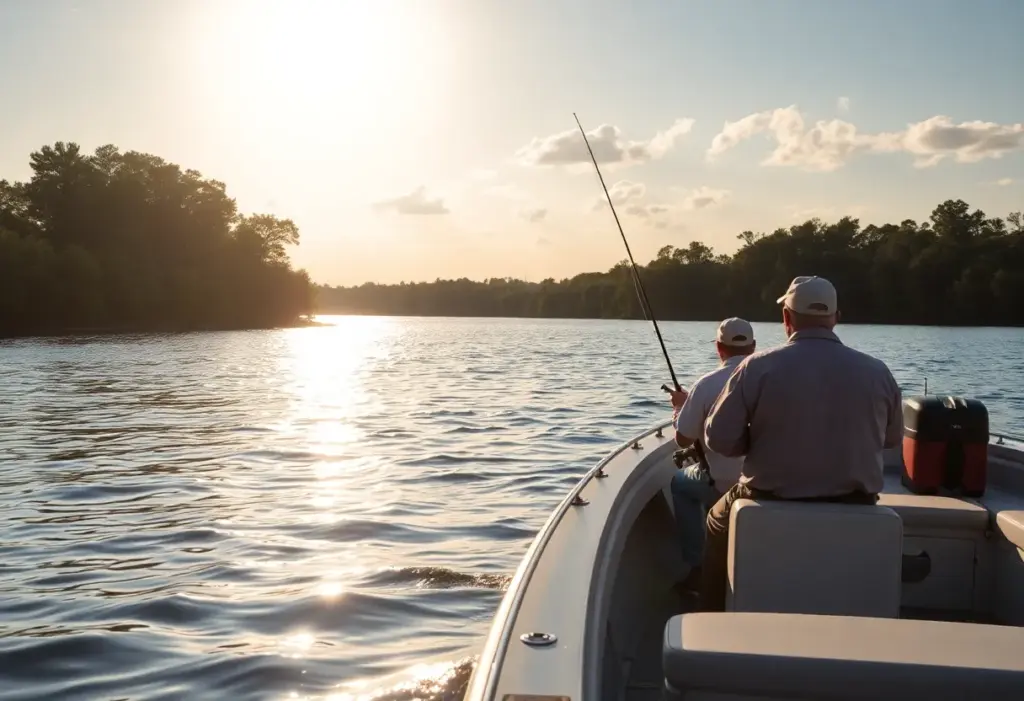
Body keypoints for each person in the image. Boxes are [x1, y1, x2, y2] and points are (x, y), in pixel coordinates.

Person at [698, 275, 903, 611]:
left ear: (786, 318)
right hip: (856, 502)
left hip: (766, 496)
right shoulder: (878, 371)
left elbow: (718, 438)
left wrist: (754, 440)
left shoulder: (756, 367)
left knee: (715, 520)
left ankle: (708, 613)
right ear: (836, 317)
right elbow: (892, 439)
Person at [667, 317, 756, 590]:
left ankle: (698, 565)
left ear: (719, 348)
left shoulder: (704, 385)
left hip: (721, 484)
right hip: (761, 483)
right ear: (753, 347)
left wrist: (681, 408)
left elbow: (683, 440)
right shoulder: (769, 379)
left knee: (679, 483)